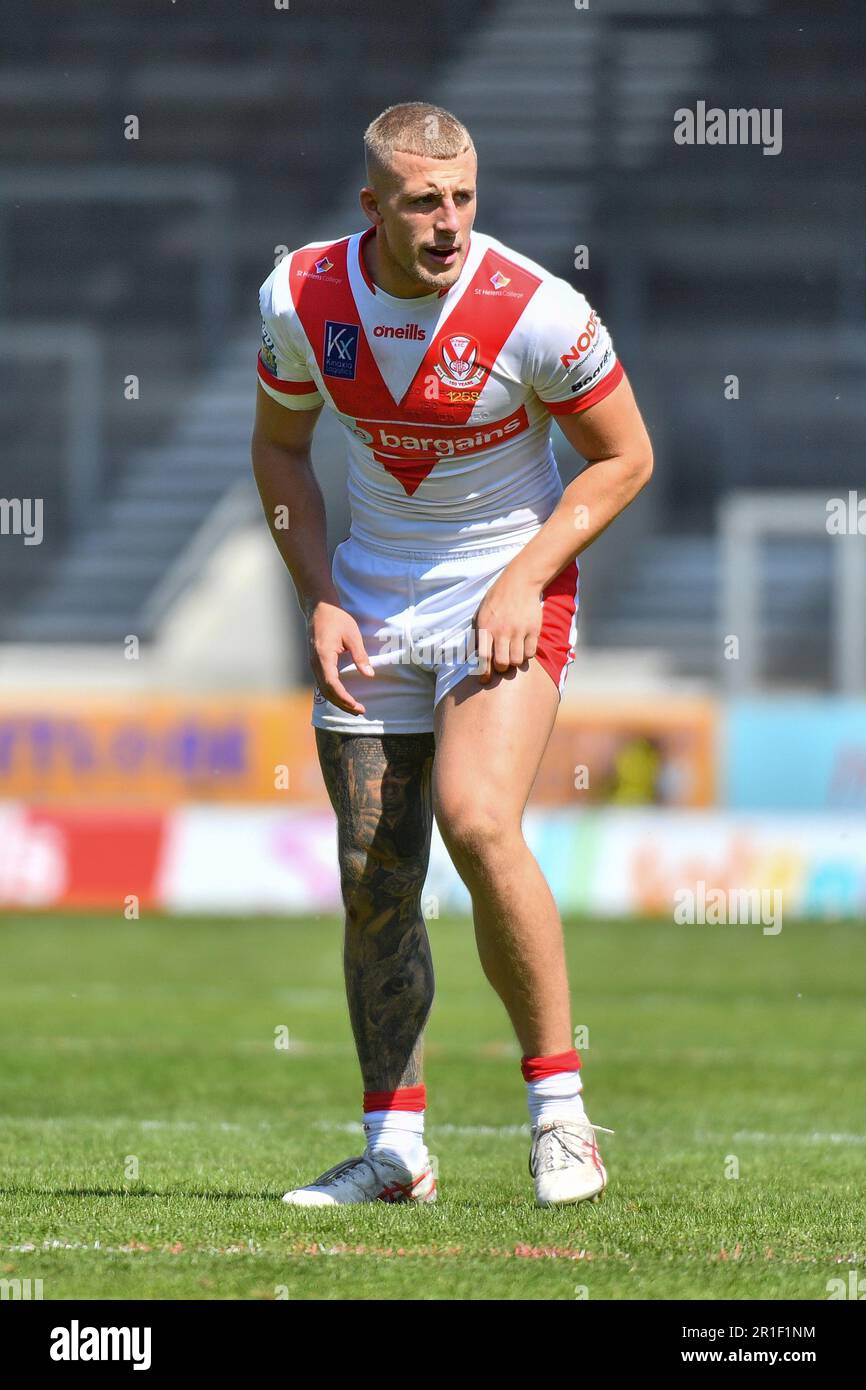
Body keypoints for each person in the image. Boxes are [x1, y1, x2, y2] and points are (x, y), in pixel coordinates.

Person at [251, 102, 653, 1207]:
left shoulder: (537, 309)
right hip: (370, 597)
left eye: (463, 197)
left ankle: (561, 1119)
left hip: (503, 587)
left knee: (476, 819)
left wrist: (524, 576)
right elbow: (280, 453)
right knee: (373, 872)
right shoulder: (301, 298)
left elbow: (623, 459)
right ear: (370, 205)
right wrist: (319, 596)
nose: (447, 223)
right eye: (423, 201)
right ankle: (393, 1152)